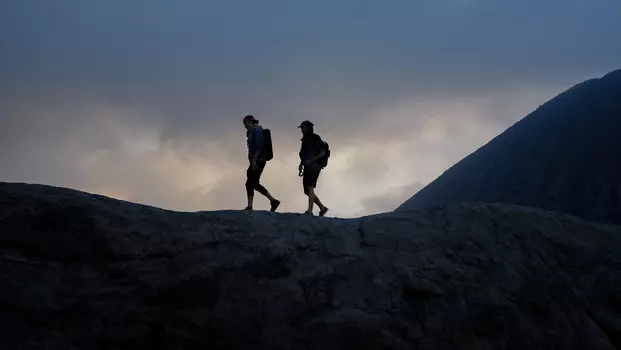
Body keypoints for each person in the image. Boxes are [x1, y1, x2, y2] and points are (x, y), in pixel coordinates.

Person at [243, 115, 280, 212]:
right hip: (255, 160)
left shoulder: (257, 130)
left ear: (251, 122)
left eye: (246, 123)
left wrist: (254, 161)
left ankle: (273, 201)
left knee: (252, 183)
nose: (245, 126)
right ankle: (252, 205)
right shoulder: (251, 132)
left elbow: (259, 147)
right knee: (250, 183)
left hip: (259, 160)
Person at [298, 120, 329, 216]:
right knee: (306, 191)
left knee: (310, 187)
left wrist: (311, 161)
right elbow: (304, 155)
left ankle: (310, 211)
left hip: (314, 166)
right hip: (307, 166)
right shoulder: (305, 140)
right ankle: (322, 208)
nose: (301, 130)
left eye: (302, 127)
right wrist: (300, 164)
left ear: (307, 127)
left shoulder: (315, 138)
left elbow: (323, 152)